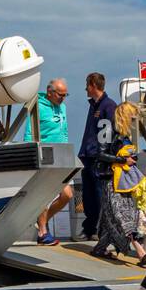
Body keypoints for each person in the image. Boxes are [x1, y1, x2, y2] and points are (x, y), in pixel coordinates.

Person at [91, 102, 146, 264]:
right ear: (125, 115)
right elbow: (100, 154)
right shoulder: (108, 129)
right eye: (132, 117)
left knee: (111, 217)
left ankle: (100, 248)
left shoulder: (124, 134)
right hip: (110, 179)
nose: (134, 121)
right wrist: (123, 159)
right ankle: (141, 253)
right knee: (121, 215)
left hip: (121, 179)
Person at [24, 78, 75, 245]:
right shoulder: (37, 106)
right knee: (44, 197)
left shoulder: (63, 107)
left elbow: (65, 131)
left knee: (67, 195)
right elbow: (29, 132)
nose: (63, 98)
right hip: (44, 156)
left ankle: (41, 223)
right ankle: (43, 233)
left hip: (62, 157)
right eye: (60, 95)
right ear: (50, 92)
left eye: (65, 94)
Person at [78, 72, 119, 239]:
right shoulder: (93, 106)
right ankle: (89, 230)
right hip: (87, 157)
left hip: (98, 159)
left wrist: (104, 157)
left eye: (87, 85)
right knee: (88, 197)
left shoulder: (108, 106)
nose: (85, 89)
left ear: (93, 85)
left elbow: (108, 135)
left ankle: (100, 232)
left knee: (99, 196)